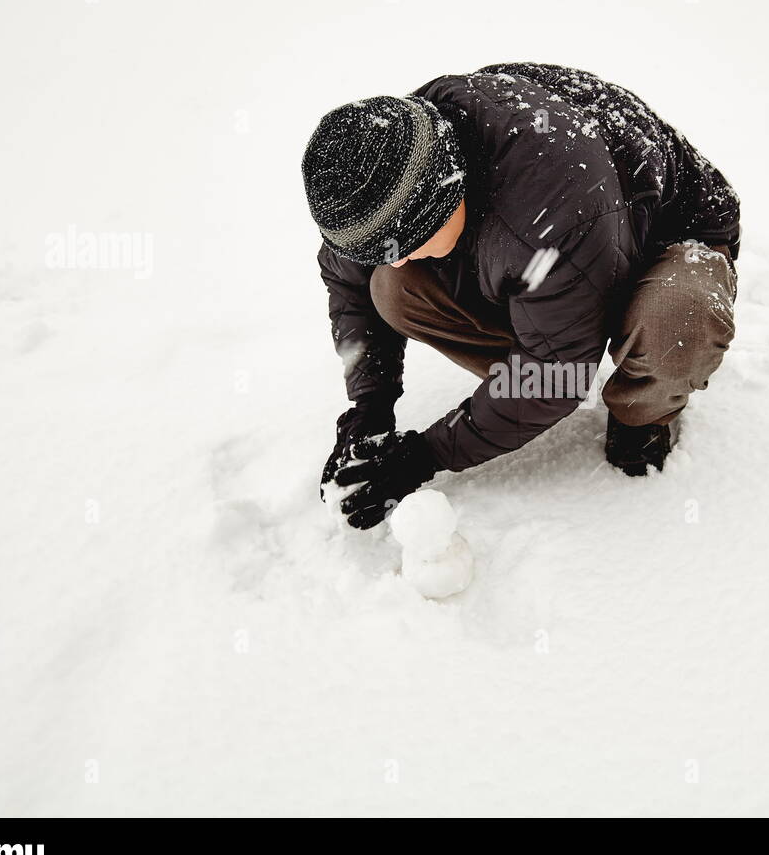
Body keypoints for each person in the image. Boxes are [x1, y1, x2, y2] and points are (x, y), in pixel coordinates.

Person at [303, 61, 741, 529]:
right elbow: (349, 281)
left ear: (442, 200)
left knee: (677, 320)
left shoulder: (552, 212)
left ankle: (641, 413)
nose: (395, 258)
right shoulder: (392, 159)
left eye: (406, 244)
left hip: (664, 241)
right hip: (556, 247)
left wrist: (425, 454)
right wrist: (371, 403)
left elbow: (557, 375)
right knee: (391, 289)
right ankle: (522, 376)